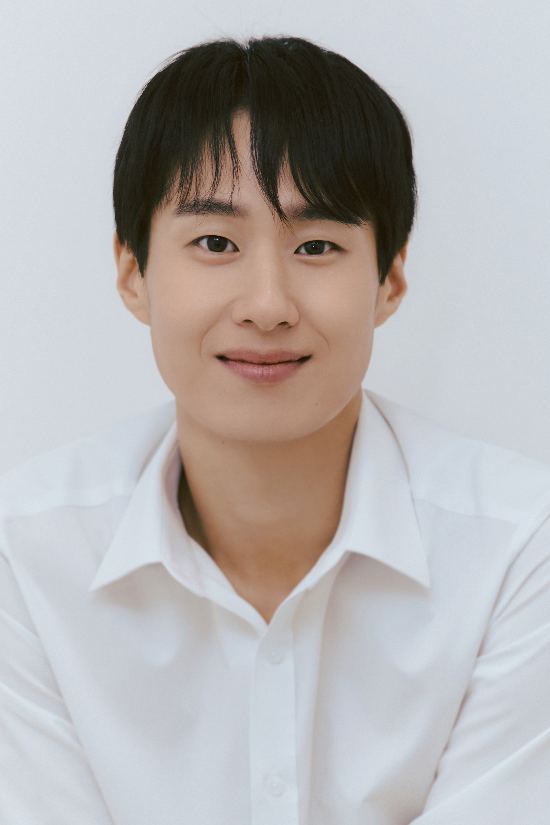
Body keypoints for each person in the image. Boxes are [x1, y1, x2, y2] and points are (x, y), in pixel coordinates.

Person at [1, 35, 550, 825]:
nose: (267, 304)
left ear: (390, 279)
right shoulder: (26, 556)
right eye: (215, 243)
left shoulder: (518, 551)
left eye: (317, 245)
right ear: (133, 272)